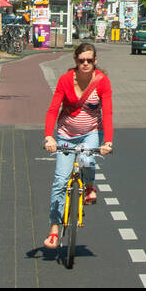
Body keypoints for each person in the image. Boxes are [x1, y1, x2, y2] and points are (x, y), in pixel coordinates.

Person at [43, 42, 113, 251]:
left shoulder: (102, 81)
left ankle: (89, 186)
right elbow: (53, 110)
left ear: (95, 61)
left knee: (88, 159)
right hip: (66, 134)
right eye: (81, 60)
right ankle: (54, 230)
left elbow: (107, 113)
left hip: (91, 132)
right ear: (75, 61)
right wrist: (49, 137)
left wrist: (107, 141)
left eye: (89, 61)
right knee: (60, 181)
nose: (85, 64)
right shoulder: (65, 80)